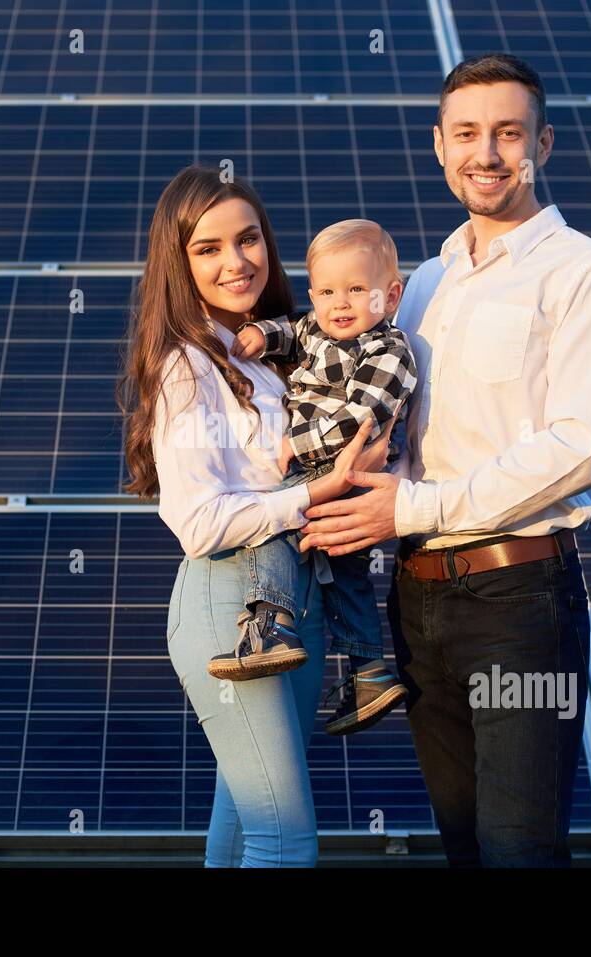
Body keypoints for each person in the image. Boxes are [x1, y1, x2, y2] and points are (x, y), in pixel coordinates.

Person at [298, 53, 591, 866]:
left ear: (543, 143)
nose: (485, 153)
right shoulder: (423, 283)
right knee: (462, 845)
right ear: (438, 145)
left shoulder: (585, 275)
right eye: (466, 133)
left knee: (517, 848)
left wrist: (408, 509)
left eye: (507, 132)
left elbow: (580, 446)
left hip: (519, 602)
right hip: (416, 603)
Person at [118, 166, 394, 866]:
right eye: (207, 248)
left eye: (248, 239)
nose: (235, 261)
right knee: (284, 838)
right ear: (177, 263)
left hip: (296, 604)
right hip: (230, 603)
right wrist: (316, 490)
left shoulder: (276, 356)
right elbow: (199, 522)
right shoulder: (187, 363)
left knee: (242, 830)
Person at [212, 219, 417, 738]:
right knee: (345, 569)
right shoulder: (317, 329)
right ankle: (368, 671)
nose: (339, 304)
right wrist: (262, 332)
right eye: (326, 291)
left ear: (390, 296)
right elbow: (292, 331)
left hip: (337, 464)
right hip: (333, 468)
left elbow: (361, 420)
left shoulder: (387, 351)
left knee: (271, 520)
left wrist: (294, 445)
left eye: (355, 289)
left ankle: (270, 625)